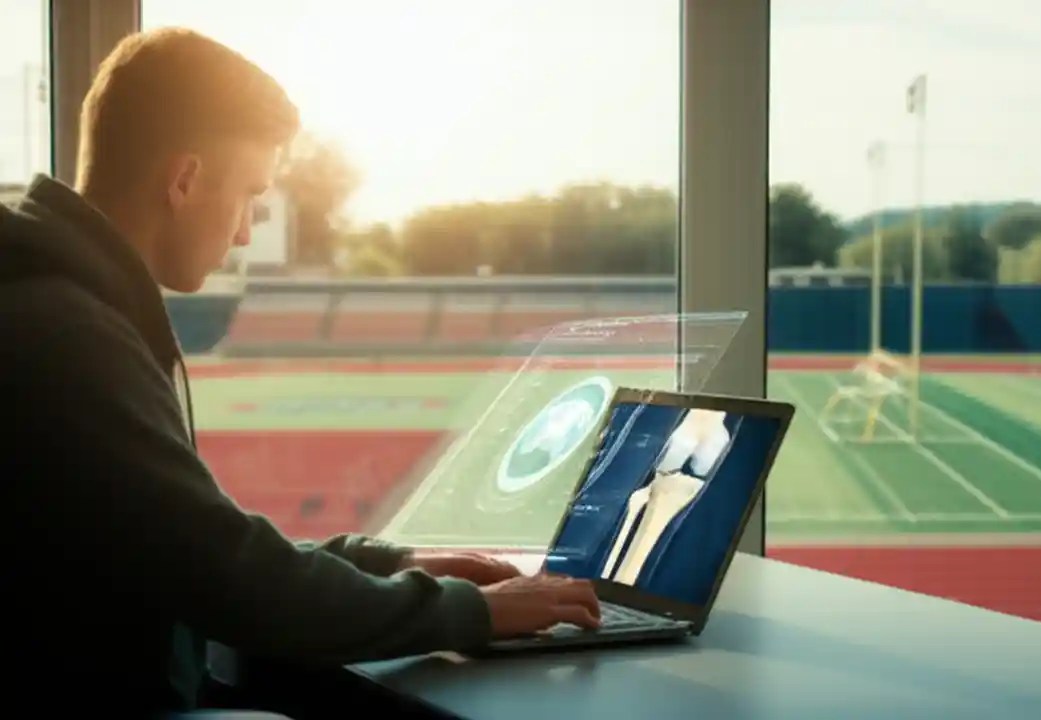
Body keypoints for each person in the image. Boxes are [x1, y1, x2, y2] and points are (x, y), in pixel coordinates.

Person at [0, 28, 598, 714]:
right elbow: (226, 576)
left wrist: (381, 566)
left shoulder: (55, 303)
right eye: (251, 194)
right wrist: (473, 612)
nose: (248, 230)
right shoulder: (69, 336)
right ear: (185, 180)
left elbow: (184, 541)